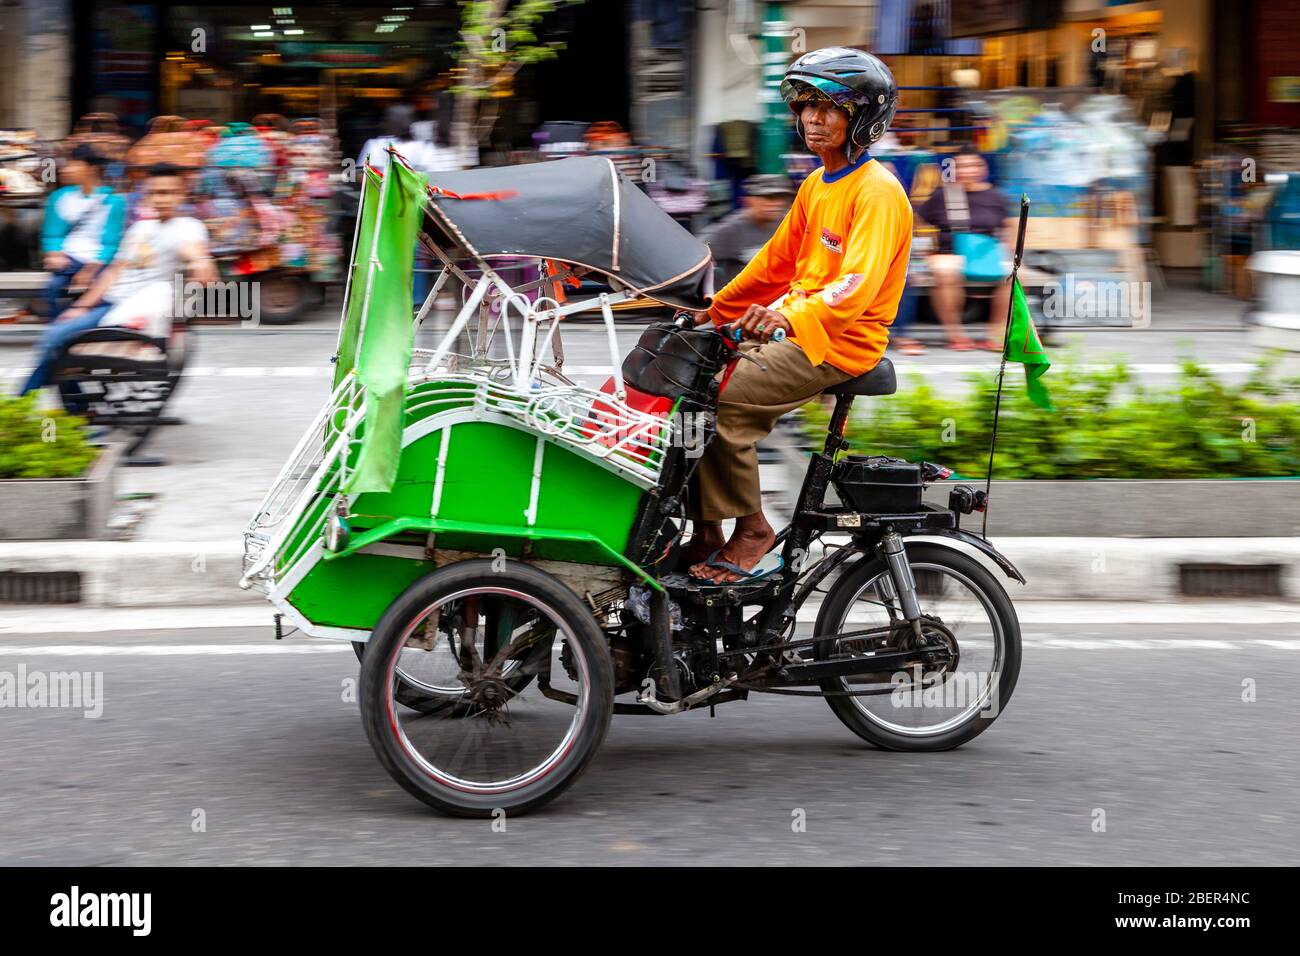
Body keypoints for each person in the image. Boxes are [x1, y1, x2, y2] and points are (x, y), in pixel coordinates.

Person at [684, 47, 912, 583]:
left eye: (829, 107)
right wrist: (710, 313)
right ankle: (707, 530)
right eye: (806, 106)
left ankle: (753, 529)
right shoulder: (816, 184)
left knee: (726, 399)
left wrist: (789, 318)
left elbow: (854, 287)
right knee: (688, 385)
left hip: (840, 342)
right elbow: (772, 266)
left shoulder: (877, 192)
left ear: (862, 118)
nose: (813, 118)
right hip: (800, 328)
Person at [18, 163, 215, 396]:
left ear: (182, 194)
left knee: (55, 340)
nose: (161, 199)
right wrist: (82, 306)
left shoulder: (187, 227)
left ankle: (25, 402)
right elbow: (114, 272)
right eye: (154, 193)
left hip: (134, 312)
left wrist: (200, 262)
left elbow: (193, 250)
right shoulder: (139, 228)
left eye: (168, 192)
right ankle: (68, 405)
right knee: (56, 338)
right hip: (110, 304)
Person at [916, 149, 1016, 350]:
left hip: (985, 253)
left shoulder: (996, 197)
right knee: (945, 272)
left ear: (982, 169)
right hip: (949, 253)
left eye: (972, 165)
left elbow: (1011, 225)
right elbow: (915, 220)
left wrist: (1008, 249)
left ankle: (995, 334)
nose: (966, 171)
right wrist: (925, 250)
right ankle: (956, 334)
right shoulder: (941, 196)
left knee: (1014, 274)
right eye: (961, 166)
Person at [40, 144, 128, 319]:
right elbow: (52, 233)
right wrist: (53, 252)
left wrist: (90, 268)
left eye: (73, 164)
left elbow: (111, 243)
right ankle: (61, 325)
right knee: (52, 289)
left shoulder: (113, 201)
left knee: (104, 293)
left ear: (91, 169)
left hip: (99, 261)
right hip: (69, 259)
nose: (66, 169)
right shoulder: (59, 197)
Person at [698, 174, 796, 287]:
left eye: (780, 198)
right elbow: (695, 256)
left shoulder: (790, 224)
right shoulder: (731, 229)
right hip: (744, 298)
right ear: (748, 200)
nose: (774, 203)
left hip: (783, 297)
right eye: (768, 197)